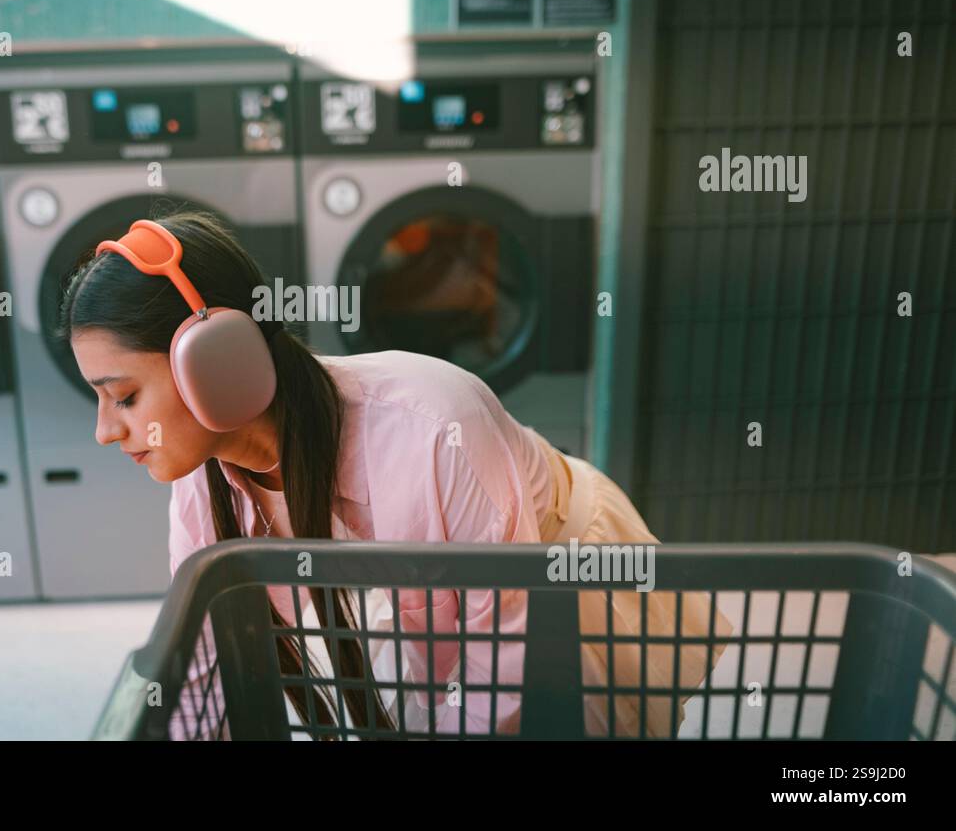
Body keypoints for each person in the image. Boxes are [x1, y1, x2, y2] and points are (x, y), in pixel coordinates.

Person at [58, 208, 731, 739]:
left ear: (214, 363)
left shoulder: (430, 427)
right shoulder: (203, 493)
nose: (104, 430)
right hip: (432, 610)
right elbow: (204, 671)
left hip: (562, 574)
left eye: (124, 396)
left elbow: (504, 655)